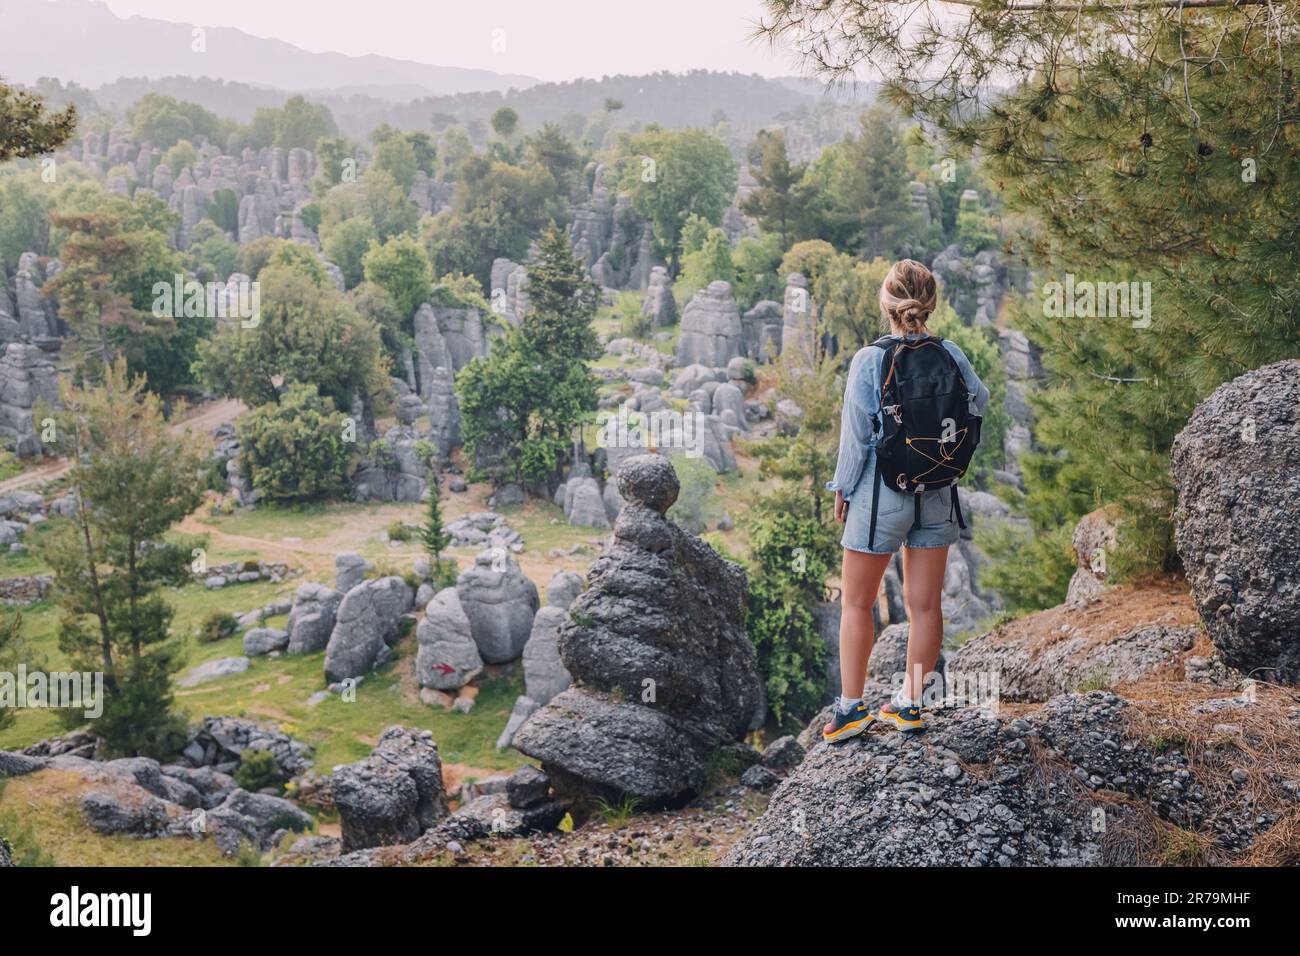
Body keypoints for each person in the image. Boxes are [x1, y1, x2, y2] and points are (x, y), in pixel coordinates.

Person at [822, 259, 989, 742]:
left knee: (855, 603)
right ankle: (910, 703)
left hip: (880, 495)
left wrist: (842, 488)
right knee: (926, 605)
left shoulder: (870, 360)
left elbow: (854, 439)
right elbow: (979, 400)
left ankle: (852, 709)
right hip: (937, 490)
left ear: (887, 305)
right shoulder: (951, 353)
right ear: (929, 304)